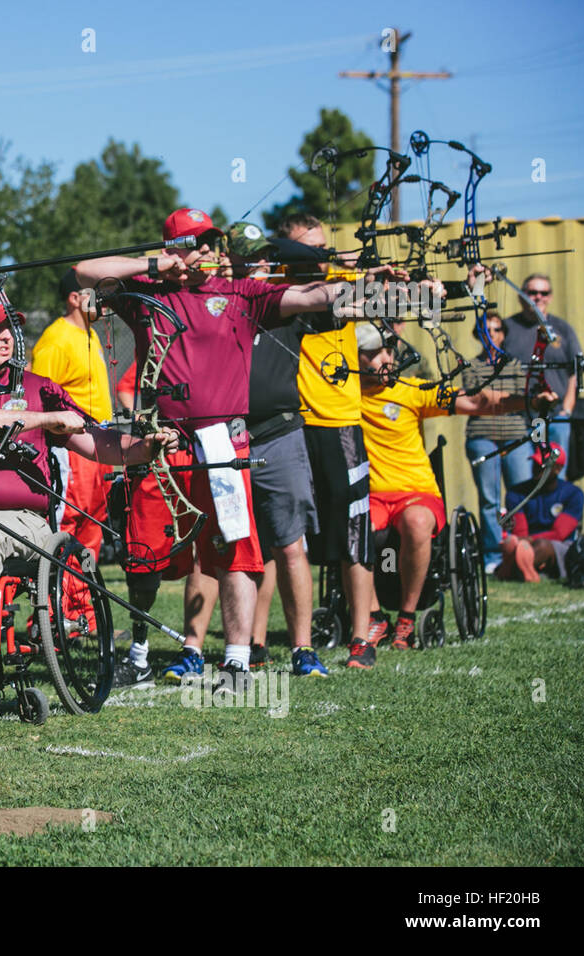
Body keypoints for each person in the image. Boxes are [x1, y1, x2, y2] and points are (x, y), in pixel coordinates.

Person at [75, 208, 389, 691]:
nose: (208, 251)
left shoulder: (241, 293)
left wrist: (363, 281)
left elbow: (311, 295)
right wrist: (155, 267)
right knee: (144, 549)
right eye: (196, 242)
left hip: (224, 439)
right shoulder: (149, 295)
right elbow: (86, 273)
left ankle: (238, 661)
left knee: (235, 548)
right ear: (174, 248)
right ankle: (139, 654)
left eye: (212, 242)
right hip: (164, 440)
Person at [0, 291, 176, 700]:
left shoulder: (40, 387)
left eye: (9, 327)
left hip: (23, 522)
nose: (6, 337)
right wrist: (42, 420)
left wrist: (147, 446)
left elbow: (98, 443)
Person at [140, 221, 333, 685]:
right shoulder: (215, 295)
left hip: (276, 433)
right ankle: (201, 647)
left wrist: (369, 282)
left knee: (288, 545)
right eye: (252, 256)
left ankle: (300, 649)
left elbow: (318, 296)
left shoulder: (270, 295)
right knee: (214, 544)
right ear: (230, 257)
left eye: (269, 256)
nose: (263, 263)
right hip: (215, 435)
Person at [356, 323, 549, 654]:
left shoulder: (412, 389)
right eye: (376, 354)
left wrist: (529, 400)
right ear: (355, 359)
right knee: (354, 525)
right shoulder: (341, 398)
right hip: (370, 496)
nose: (387, 359)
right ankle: (374, 616)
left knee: (417, 523)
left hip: (415, 492)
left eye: (389, 351)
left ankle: (405, 620)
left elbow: (477, 403)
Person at [276, 213, 381, 654]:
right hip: (291, 428)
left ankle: (362, 635)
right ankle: (264, 643)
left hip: (339, 426)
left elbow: (384, 292)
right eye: (310, 250)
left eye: (325, 247)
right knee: (285, 536)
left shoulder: (347, 278)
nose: (321, 257)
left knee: (354, 535)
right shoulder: (276, 284)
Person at [30, 271, 117, 631]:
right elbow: (37, 395)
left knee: (92, 528)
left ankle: (82, 615)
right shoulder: (56, 338)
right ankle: (54, 614)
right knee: (68, 525)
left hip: (99, 443)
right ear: (74, 298)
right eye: (96, 294)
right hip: (73, 445)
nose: (104, 300)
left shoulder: (89, 334)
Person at [462, 314, 530, 573]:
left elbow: (520, 396)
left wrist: (492, 399)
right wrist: (502, 401)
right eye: (486, 330)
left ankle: (521, 549)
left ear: (503, 334)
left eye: (497, 330)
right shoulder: (470, 366)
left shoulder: (513, 364)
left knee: (520, 496)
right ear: (478, 334)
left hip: (515, 434)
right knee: (490, 498)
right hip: (482, 436)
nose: (492, 335)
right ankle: (493, 554)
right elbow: (474, 399)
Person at [502, 274, 581, 478]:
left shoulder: (562, 328)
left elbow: (575, 372)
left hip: (555, 418)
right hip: (519, 419)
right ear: (521, 296)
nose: (538, 297)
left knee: (555, 478)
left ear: (550, 297)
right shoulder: (507, 328)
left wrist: (566, 410)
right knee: (521, 482)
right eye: (532, 292)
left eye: (543, 293)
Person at [496, 444, 584, 582]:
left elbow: (559, 534)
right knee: (516, 544)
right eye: (535, 464)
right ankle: (523, 569)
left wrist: (529, 540)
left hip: (561, 546)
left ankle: (511, 568)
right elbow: (520, 532)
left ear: (557, 469)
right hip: (523, 545)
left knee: (542, 545)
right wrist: (523, 542)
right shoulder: (516, 494)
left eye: (543, 466)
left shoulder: (574, 494)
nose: (537, 469)